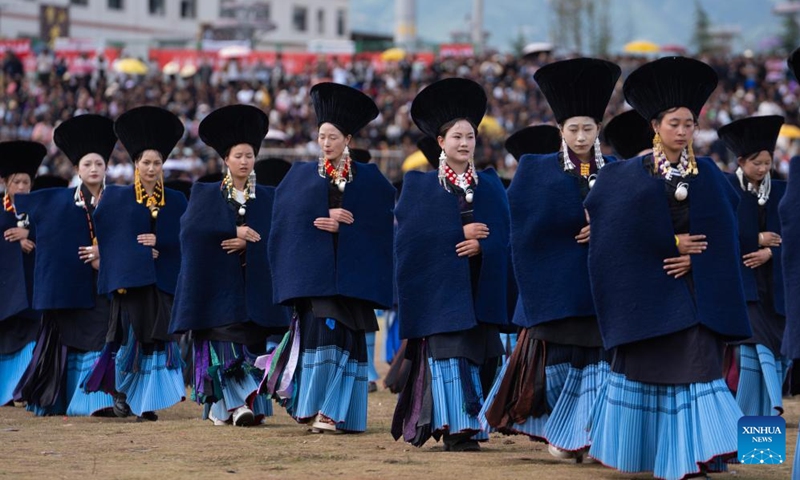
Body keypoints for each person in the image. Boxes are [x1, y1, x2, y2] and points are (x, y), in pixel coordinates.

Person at [585, 57, 751, 480]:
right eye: (674, 123)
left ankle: (707, 456)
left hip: (697, 294)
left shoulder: (710, 175)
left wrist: (696, 257)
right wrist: (669, 242)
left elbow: (724, 233)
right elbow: (614, 233)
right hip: (650, 296)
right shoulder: (628, 176)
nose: (682, 131)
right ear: (655, 126)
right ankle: (676, 456)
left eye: (689, 123)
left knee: (700, 372)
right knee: (658, 375)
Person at [481, 58, 620, 462]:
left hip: (600, 292)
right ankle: (564, 432)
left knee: (597, 365)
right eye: (573, 129)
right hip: (555, 289)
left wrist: (605, 228)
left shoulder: (614, 171)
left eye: (588, 129)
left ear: (598, 131)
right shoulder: (534, 171)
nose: (580, 136)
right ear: (560, 130)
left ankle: (586, 436)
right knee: (559, 365)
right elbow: (523, 231)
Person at [265, 83, 394, 434]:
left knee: (346, 343)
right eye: (322, 136)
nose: (326, 143)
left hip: (353, 278)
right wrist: (314, 226)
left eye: (333, 136)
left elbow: (381, 224)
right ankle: (315, 407)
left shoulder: (370, 181)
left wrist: (347, 229)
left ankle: (334, 413)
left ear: (347, 138)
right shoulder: (299, 177)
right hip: (314, 277)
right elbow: (286, 225)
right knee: (322, 337)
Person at [392, 78, 510, 452]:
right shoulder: (420, 186)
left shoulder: (491, 185)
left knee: (483, 355)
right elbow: (411, 240)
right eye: (457, 136)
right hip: (441, 289)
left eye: (470, 136)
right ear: (441, 142)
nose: (464, 143)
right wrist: (458, 233)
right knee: (451, 355)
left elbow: (505, 236)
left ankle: (474, 425)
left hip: (480, 288)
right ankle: (458, 426)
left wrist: (483, 245)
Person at [170, 104, 291, 427]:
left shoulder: (267, 196)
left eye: (249, 155)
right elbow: (191, 233)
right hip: (217, 292)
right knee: (225, 347)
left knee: (251, 347)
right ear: (226, 159)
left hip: (254, 293)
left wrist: (249, 244)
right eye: (238, 156)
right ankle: (237, 405)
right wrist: (231, 232)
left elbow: (277, 237)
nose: (244, 161)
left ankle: (231, 407)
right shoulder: (206, 194)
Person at [82, 106, 188, 422]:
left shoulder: (178, 200)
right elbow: (111, 233)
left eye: (157, 163)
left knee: (155, 343)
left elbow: (184, 237)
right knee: (126, 342)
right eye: (146, 162)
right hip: (129, 286)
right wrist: (135, 253)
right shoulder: (116, 198)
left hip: (161, 284)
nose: (151, 168)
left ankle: (146, 401)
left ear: (163, 165)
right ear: (135, 164)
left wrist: (162, 244)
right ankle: (121, 399)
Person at [13, 114, 118, 417]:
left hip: (104, 284)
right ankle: (72, 399)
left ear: (106, 167)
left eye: (99, 164)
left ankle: (98, 401)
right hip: (70, 288)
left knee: (103, 335)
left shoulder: (116, 200)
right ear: (76, 169)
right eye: (87, 165)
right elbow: (46, 235)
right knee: (73, 339)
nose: (94, 169)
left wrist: (105, 260)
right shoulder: (60, 202)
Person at [717, 115, 789, 416]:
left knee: (769, 354)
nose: (762, 169)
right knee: (755, 347)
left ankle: (756, 439)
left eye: (767, 163)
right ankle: (773, 407)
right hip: (743, 288)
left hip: (776, 290)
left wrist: (771, 254)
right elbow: (716, 232)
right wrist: (754, 239)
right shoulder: (726, 186)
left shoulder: (783, 190)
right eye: (756, 163)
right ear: (742, 161)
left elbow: (793, 235)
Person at [0, 141, 46, 406]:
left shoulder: (39, 212)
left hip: (32, 288)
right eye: (16, 181)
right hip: (6, 292)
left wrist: (30, 234)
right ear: (6, 183)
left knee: (31, 338)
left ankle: (24, 389)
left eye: (26, 182)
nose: (21, 187)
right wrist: (13, 244)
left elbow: (54, 236)